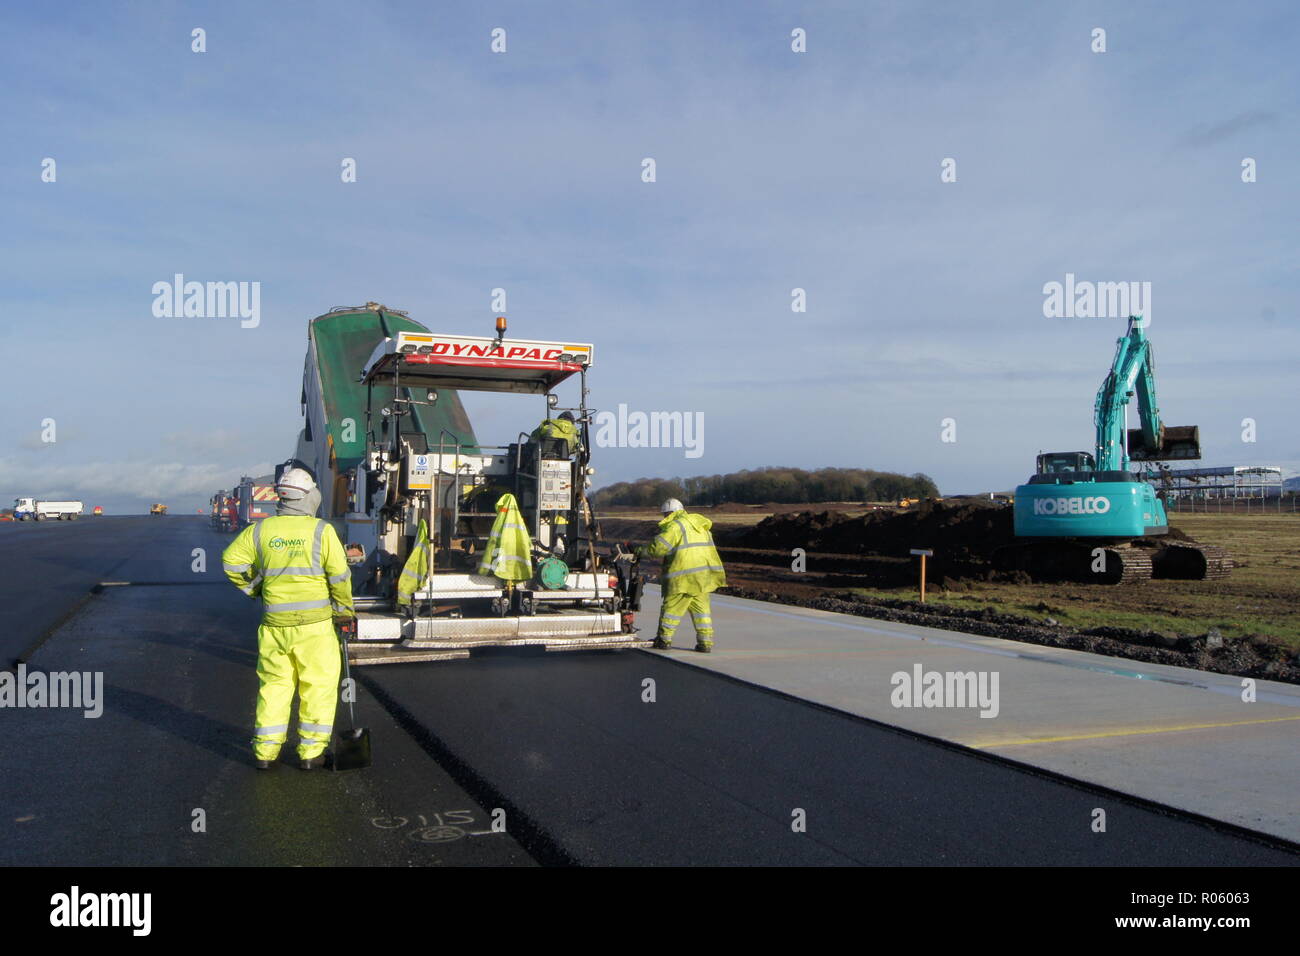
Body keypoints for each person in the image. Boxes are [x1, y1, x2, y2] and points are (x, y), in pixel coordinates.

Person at [222, 468, 355, 770]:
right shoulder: (322, 531)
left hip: (274, 628)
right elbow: (340, 577)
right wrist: (345, 611)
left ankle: (265, 753)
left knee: (274, 687)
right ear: (309, 497)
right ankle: (311, 754)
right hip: (316, 629)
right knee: (317, 688)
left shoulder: (260, 531)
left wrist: (255, 588)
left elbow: (231, 561)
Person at [639, 498, 726, 652]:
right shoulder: (699, 525)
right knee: (701, 611)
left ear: (669, 513)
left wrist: (639, 552)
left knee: (671, 608)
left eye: (665, 515)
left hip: (683, 576)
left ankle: (664, 639)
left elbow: (658, 548)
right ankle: (705, 643)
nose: (664, 518)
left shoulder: (675, 526)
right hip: (702, 576)